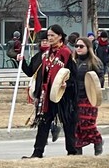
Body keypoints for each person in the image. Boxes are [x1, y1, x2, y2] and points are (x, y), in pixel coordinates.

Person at [20, 24, 78, 158]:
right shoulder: (45, 55)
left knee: (68, 122)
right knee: (43, 122)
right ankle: (37, 152)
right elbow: (41, 74)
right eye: (48, 36)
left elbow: (73, 75)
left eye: (52, 35)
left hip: (63, 95)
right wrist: (39, 92)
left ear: (60, 36)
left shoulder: (66, 53)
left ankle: (72, 151)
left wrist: (66, 84)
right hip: (46, 95)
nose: (50, 38)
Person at [72, 37, 104, 155]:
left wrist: (93, 86)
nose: (78, 48)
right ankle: (77, 150)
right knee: (76, 126)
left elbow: (100, 79)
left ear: (88, 48)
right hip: (75, 97)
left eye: (81, 46)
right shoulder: (72, 62)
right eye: (76, 46)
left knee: (87, 124)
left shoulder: (95, 62)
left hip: (89, 98)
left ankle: (97, 141)